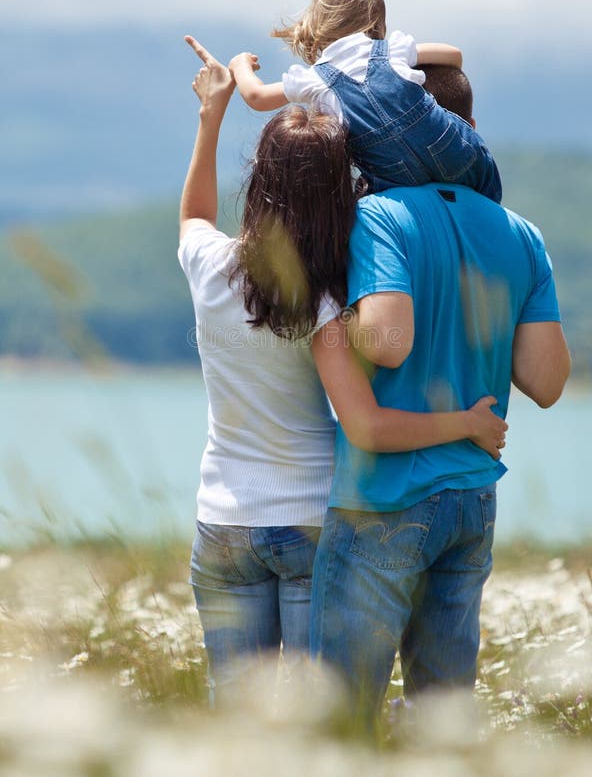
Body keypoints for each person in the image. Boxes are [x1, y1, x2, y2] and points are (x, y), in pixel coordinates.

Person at [178, 38, 507, 704]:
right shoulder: (325, 303)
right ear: (338, 191)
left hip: (220, 523)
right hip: (308, 523)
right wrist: (465, 423)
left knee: (234, 721)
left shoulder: (208, 266)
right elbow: (367, 425)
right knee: (312, 725)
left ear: (261, 177)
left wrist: (211, 114)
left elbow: (194, 215)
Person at [310, 63, 571, 730]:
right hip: (473, 497)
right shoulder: (522, 233)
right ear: (469, 134)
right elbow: (546, 383)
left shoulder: (378, 217)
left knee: (342, 720)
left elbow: (389, 343)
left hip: (386, 497)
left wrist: (330, 328)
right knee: (444, 724)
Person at [228, 0, 501, 200]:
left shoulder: (315, 80)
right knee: (487, 189)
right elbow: (454, 55)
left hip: (394, 179)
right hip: (452, 147)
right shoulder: (391, 49)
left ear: (317, 25)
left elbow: (256, 96)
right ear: (378, 24)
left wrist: (240, 65)